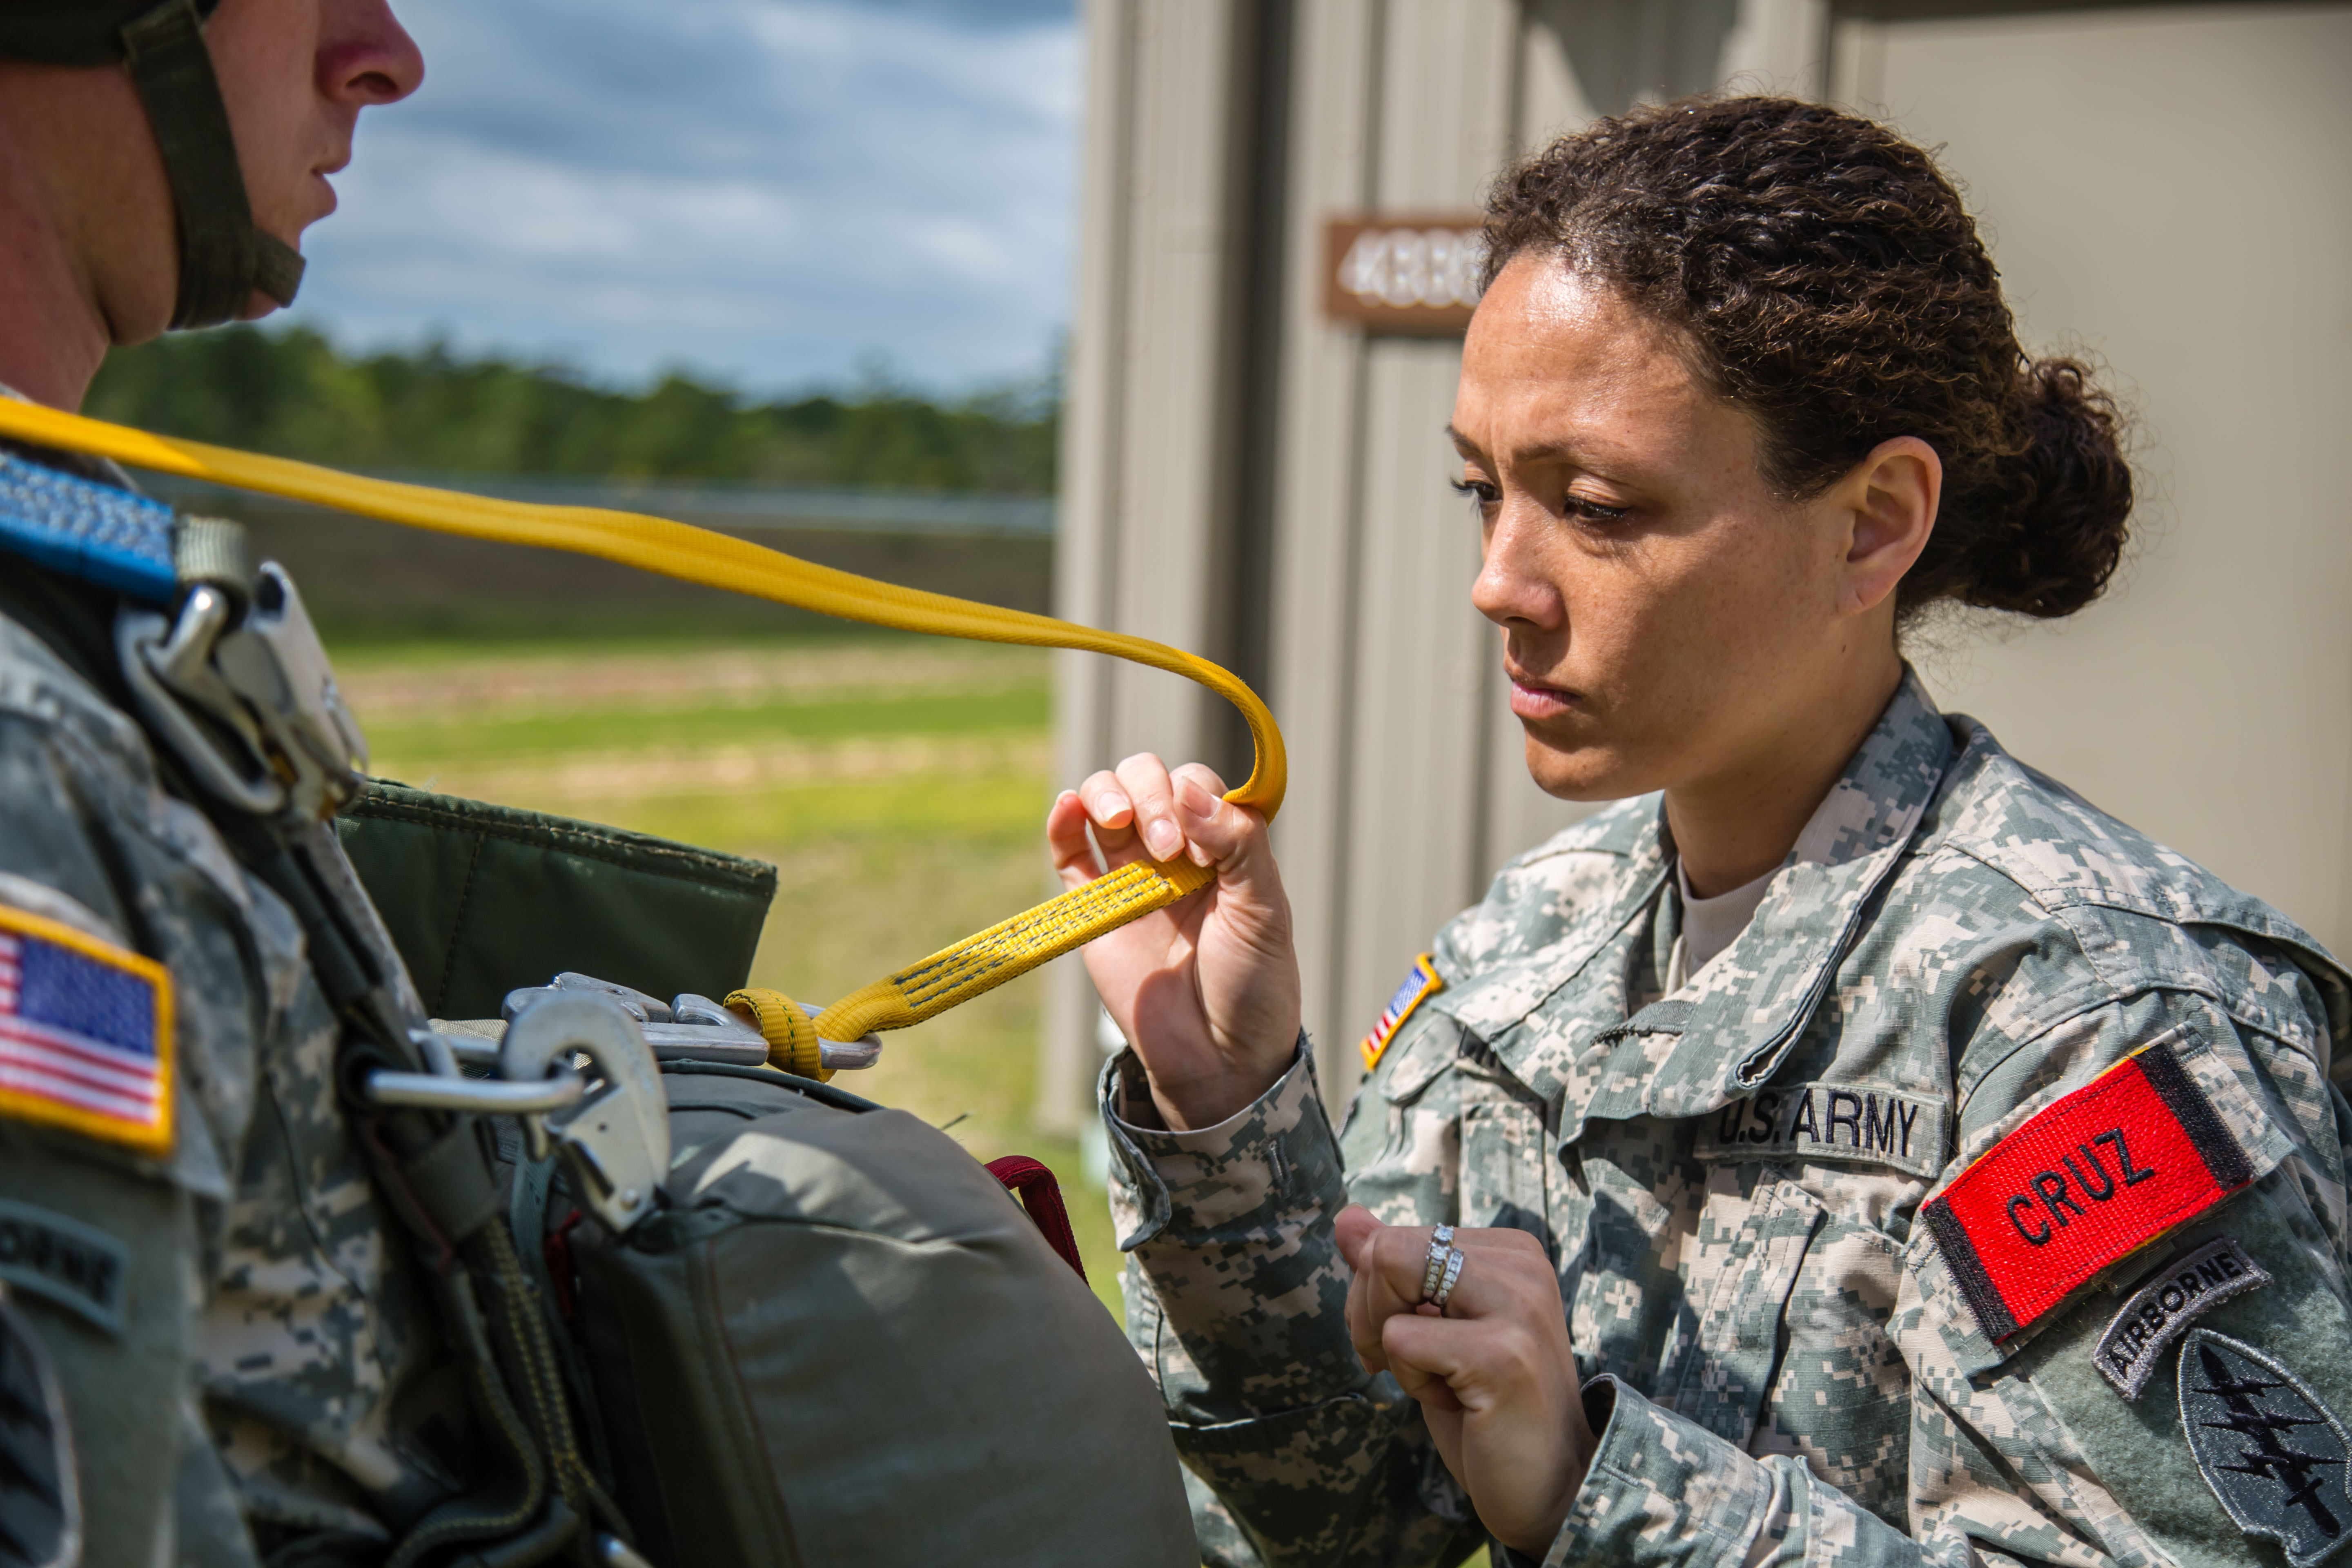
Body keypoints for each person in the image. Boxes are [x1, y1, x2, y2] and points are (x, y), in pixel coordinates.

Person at [1054, 96, 2352, 1568]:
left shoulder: (2095, 1028)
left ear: (1873, 522)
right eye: (1483, 492)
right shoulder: (1539, 949)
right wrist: (1225, 1112)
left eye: (1595, 505)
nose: (1498, 582)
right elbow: (1336, 1513)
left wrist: (1598, 1487)